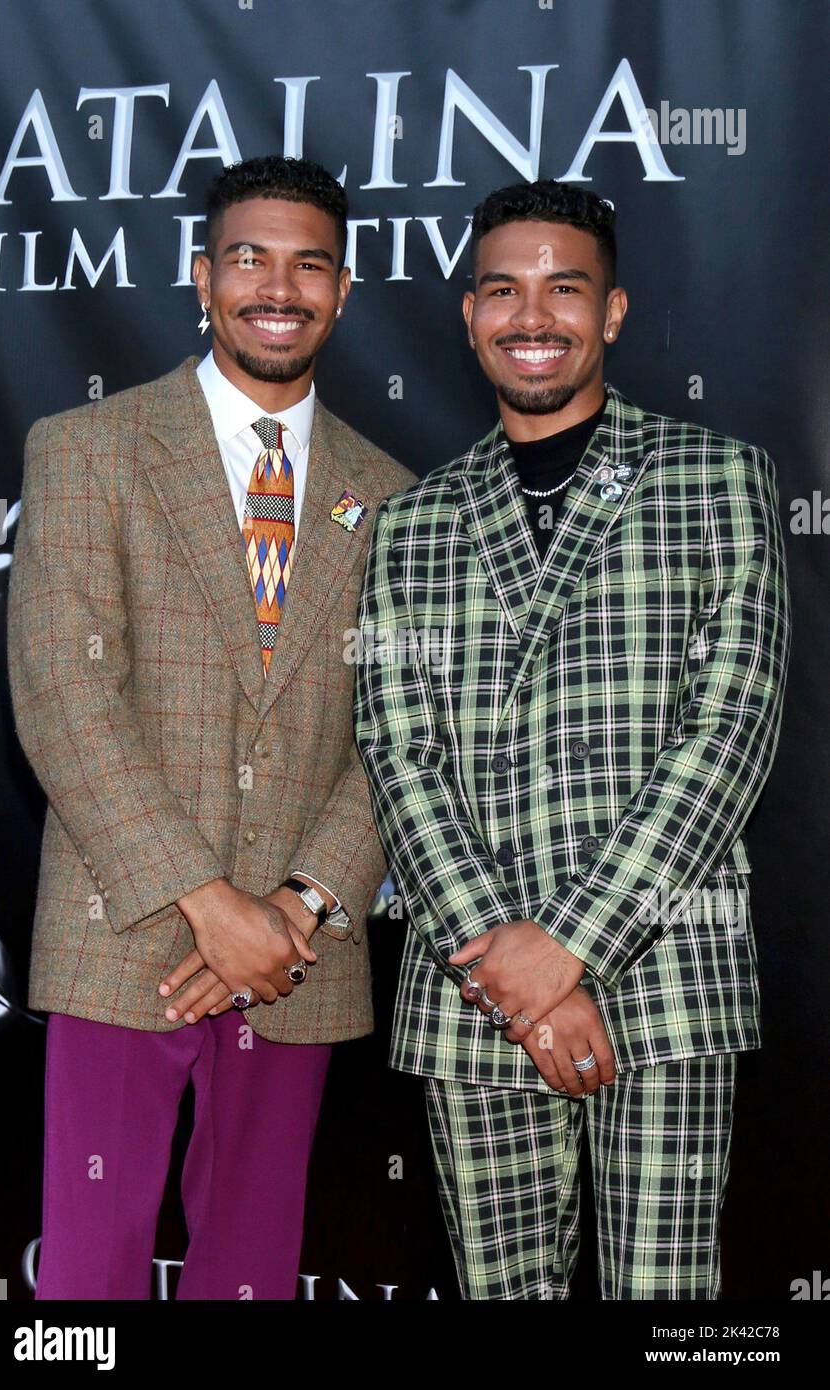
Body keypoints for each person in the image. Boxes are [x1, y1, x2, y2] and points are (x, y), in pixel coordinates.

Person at [354, 179, 791, 1300]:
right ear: (467, 315)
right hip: (471, 983)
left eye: (564, 287)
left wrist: (570, 949)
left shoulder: (716, 480)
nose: (530, 314)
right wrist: (510, 968)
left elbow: (729, 731)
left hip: (664, 971)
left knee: (665, 1299)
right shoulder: (411, 522)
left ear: (612, 311)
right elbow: (397, 752)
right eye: (502, 288)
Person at [6, 155, 414, 1300]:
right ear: (200, 277)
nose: (275, 287)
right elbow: (61, 697)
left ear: (342, 291)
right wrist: (206, 900)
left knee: (252, 1268)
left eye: (307, 264)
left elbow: (396, 730)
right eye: (247, 257)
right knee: (84, 1279)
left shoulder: (394, 497)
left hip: (297, 959)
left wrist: (296, 907)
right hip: (121, 926)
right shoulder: (87, 449)